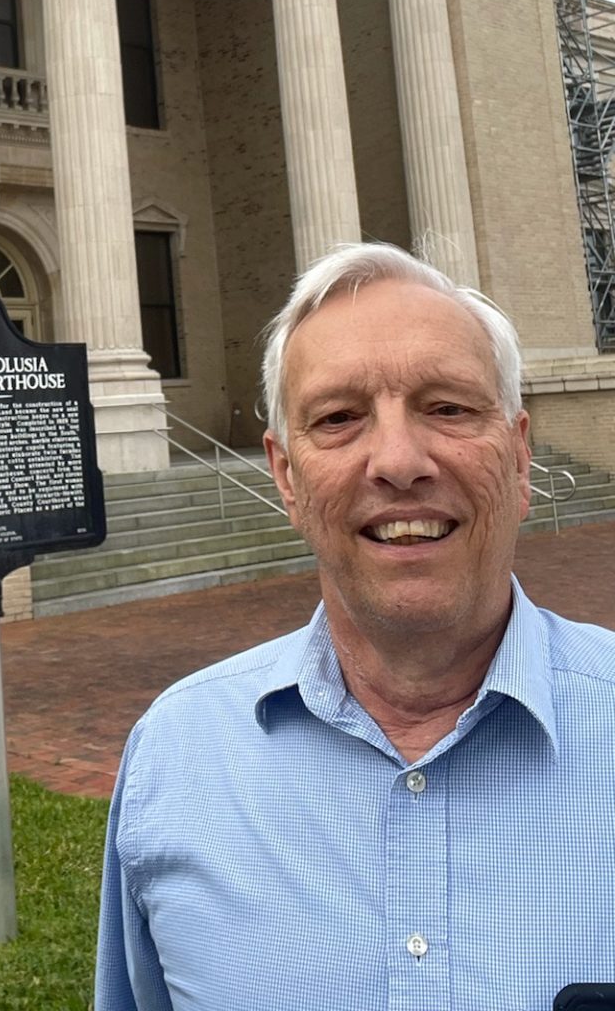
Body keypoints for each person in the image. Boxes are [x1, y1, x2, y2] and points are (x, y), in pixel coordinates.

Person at [96, 241, 615, 1011]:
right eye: (339, 418)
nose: (399, 461)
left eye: (449, 408)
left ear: (519, 456)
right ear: (286, 477)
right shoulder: (176, 758)